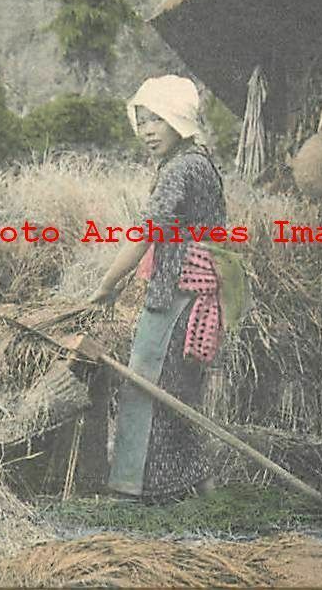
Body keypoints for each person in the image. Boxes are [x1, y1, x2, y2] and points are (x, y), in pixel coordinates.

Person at [89, 74, 228, 502]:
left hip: (179, 293)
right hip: (190, 291)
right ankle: (201, 487)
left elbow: (145, 232)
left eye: (157, 120)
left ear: (178, 120)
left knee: (146, 384)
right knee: (177, 390)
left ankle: (133, 489)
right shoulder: (199, 163)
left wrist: (107, 285)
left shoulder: (182, 169)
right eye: (142, 121)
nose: (147, 131)